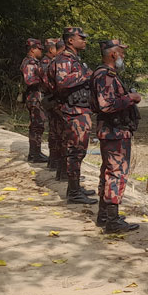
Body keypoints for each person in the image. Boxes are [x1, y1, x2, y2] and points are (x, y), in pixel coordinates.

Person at [90, 39, 142, 234]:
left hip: (114, 131)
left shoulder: (105, 75)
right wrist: (131, 98)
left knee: (109, 172)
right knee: (116, 174)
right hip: (114, 131)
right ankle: (112, 220)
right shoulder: (105, 76)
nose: (123, 56)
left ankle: (105, 215)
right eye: (121, 52)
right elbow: (106, 105)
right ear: (113, 54)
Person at [48, 27, 98, 205]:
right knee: (75, 150)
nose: (84, 41)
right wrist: (85, 75)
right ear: (70, 40)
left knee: (79, 150)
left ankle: (75, 187)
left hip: (80, 109)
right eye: (81, 38)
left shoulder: (74, 59)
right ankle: (74, 191)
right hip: (73, 111)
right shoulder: (63, 60)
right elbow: (62, 83)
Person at [20, 38, 49, 163]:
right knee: (37, 126)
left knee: (37, 126)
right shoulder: (30, 63)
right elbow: (29, 80)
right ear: (32, 49)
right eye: (39, 49)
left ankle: (35, 153)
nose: (41, 51)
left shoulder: (33, 62)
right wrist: (44, 78)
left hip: (36, 97)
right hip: (34, 98)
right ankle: (35, 154)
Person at [40, 38, 63, 171]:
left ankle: (55, 163)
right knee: (56, 133)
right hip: (52, 101)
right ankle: (56, 163)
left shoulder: (52, 63)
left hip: (52, 100)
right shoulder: (48, 63)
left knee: (55, 133)